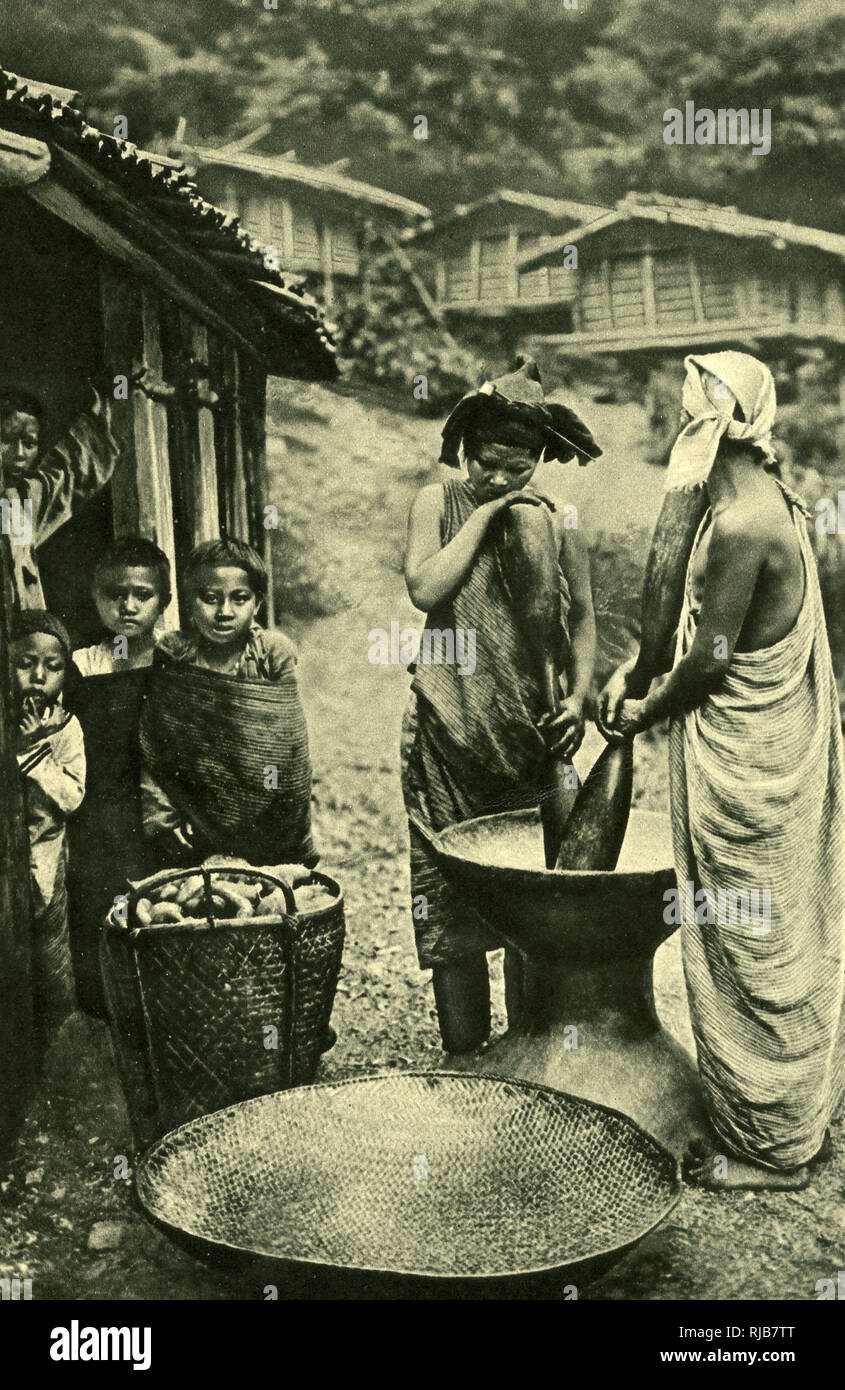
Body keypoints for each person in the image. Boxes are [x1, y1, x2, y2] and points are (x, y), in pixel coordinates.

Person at [598, 351, 845, 1189]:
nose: (675, 420)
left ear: (712, 420)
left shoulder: (744, 522)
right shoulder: (739, 497)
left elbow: (707, 662)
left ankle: (773, 1149)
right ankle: (780, 1102)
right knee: (762, 923)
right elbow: (673, 600)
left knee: (753, 930)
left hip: (754, 758)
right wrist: (633, 667)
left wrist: (644, 709)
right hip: (757, 742)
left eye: (686, 408)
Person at [401, 358, 601, 1053]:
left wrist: (576, 696)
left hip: (528, 736)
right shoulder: (439, 502)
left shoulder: (559, 522)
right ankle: (465, 1059)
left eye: (515, 471)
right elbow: (425, 589)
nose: (498, 478)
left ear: (540, 461)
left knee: (529, 901)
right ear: (464, 451)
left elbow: (581, 622)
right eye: (486, 464)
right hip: (449, 728)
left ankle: (525, 1052)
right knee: (448, 898)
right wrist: (486, 513)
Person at [140, 537, 317, 870]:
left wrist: (273, 817)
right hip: (193, 823)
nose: (224, 612)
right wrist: (164, 817)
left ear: (258, 603)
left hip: (267, 821)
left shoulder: (272, 654)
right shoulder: (176, 657)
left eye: (239, 598)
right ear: (189, 601)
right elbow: (155, 745)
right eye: (209, 599)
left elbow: (289, 749)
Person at [12, 610, 86, 1038]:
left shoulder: (66, 729)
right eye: (26, 664)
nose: (38, 676)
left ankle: (54, 1040)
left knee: (49, 950)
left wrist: (34, 754)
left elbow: (73, 796)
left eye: (52, 667)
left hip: (46, 851)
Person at [0, 384, 119, 610]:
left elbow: (65, 474)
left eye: (29, 443)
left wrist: (94, 421)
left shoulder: (17, 505)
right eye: (5, 440)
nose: (18, 453)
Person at [73, 536, 171, 676]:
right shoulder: (83, 664)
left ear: (164, 602)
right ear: (96, 597)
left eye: (142, 595)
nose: (128, 607)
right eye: (115, 594)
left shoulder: (180, 654)